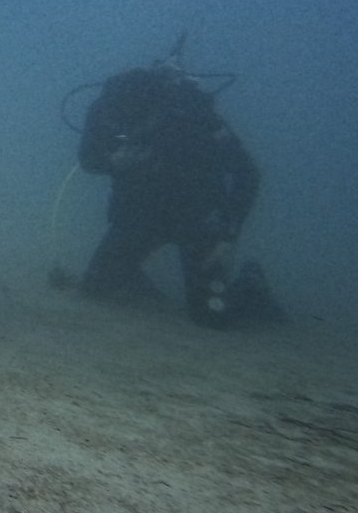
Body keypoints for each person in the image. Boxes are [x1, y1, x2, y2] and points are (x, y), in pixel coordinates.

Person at [76, 61, 266, 326]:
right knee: (95, 287)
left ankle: (252, 282)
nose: (128, 132)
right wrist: (112, 162)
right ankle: (129, 274)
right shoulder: (103, 110)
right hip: (139, 214)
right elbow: (87, 159)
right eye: (120, 124)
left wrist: (227, 235)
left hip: (198, 219)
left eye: (137, 123)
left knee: (212, 316)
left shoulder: (193, 117)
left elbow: (247, 173)